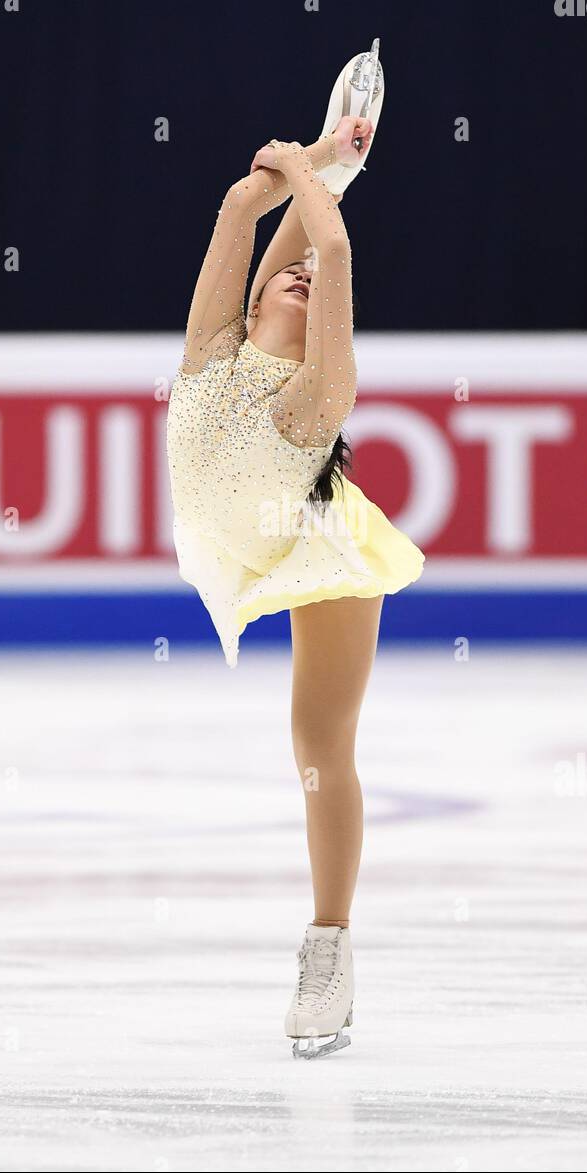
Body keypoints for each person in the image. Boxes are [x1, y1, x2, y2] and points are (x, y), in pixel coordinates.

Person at [166, 86, 424, 1057]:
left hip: (316, 542)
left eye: (309, 281)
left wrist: (315, 182)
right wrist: (313, 155)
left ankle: (328, 945)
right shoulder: (209, 354)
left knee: (319, 745)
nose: (302, 276)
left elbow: (336, 252)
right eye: (290, 276)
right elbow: (242, 210)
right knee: (280, 229)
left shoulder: (314, 400)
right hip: (226, 535)